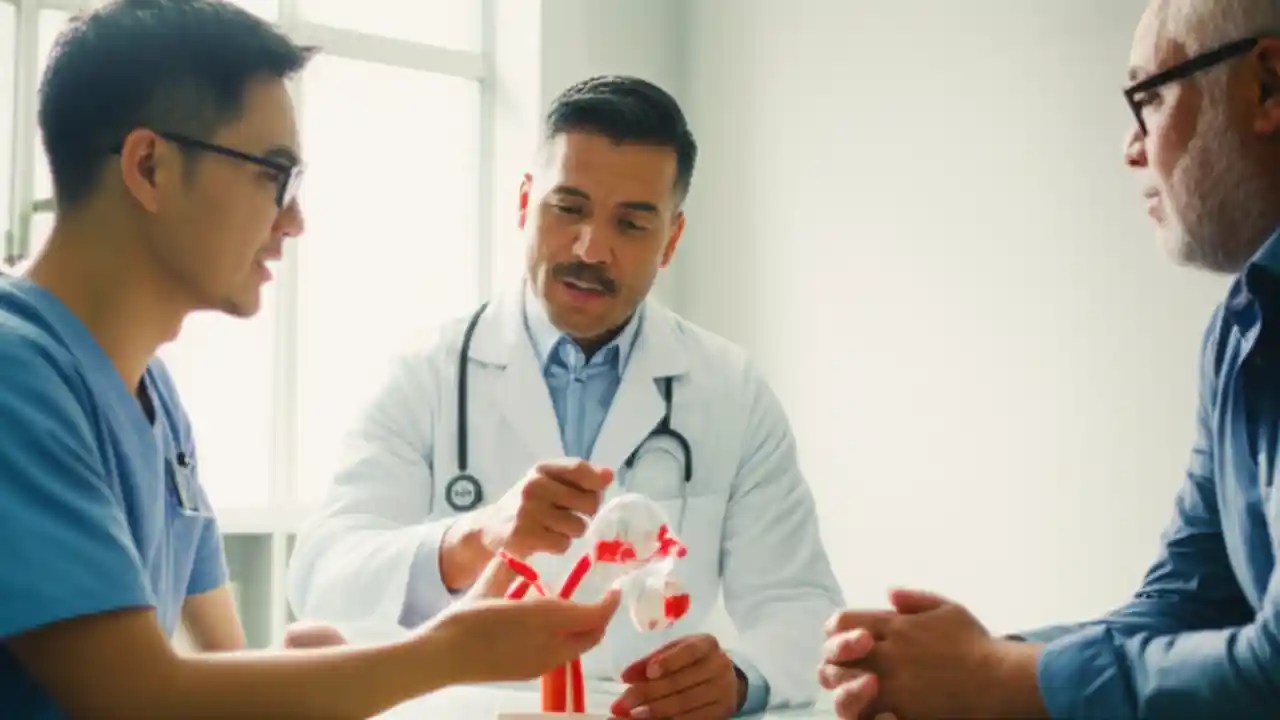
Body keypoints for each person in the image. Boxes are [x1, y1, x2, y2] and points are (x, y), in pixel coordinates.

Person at [0, 1, 619, 717]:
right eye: (274, 174)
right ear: (149, 167)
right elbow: (140, 697)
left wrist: (369, 657)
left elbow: (219, 676)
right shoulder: (17, 380)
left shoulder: (150, 396)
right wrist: (448, 652)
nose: (294, 220)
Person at [287, 75, 845, 718]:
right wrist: (473, 538)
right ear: (526, 203)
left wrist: (741, 679)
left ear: (671, 239)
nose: (591, 249)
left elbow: (802, 608)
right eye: (568, 209)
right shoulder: (427, 372)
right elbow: (321, 576)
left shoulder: (729, 390)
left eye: (631, 224)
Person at [819, 0, 1280, 718]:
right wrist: (954, 669)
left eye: (1149, 98)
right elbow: (1187, 607)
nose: (1132, 149)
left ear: (1268, 87)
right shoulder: (1242, 329)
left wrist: (995, 678)